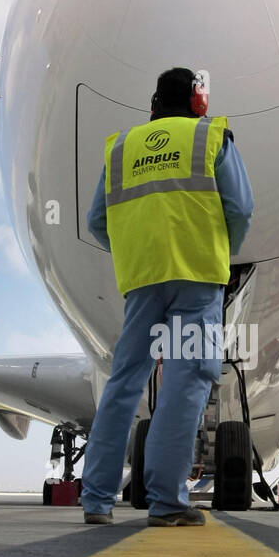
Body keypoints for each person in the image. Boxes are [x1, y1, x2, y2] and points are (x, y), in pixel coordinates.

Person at [80, 67, 254, 526]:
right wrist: (223, 253)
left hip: (142, 282)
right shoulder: (211, 138)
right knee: (185, 381)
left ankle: (97, 500)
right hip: (196, 281)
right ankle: (167, 501)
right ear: (199, 103)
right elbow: (241, 208)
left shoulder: (121, 148)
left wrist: (139, 252)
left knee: (123, 383)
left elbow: (97, 220)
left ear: (152, 107)